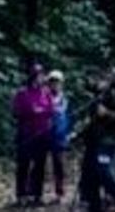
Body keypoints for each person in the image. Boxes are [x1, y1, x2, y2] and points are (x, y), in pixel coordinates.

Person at [77, 66, 115, 212]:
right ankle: (93, 203)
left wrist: (106, 113)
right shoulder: (99, 95)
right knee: (91, 171)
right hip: (96, 138)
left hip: (110, 139)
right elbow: (93, 118)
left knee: (106, 170)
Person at [11, 62, 54, 207]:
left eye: (42, 75)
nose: (42, 78)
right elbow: (16, 111)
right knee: (23, 165)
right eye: (39, 75)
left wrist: (42, 111)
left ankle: (37, 194)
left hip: (42, 134)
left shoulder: (46, 92)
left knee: (39, 166)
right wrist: (31, 112)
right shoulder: (22, 92)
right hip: (26, 133)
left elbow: (51, 109)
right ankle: (21, 194)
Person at [47, 70, 71, 204]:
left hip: (59, 136)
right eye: (52, 82)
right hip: (44, 135)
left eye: (57, 82)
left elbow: (67, 118)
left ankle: (59, 192)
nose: (55, 85)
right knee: (38, 165)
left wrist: (68, 134)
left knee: (59, 165)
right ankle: (34, 193)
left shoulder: (64, 99)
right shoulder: (44, 96)